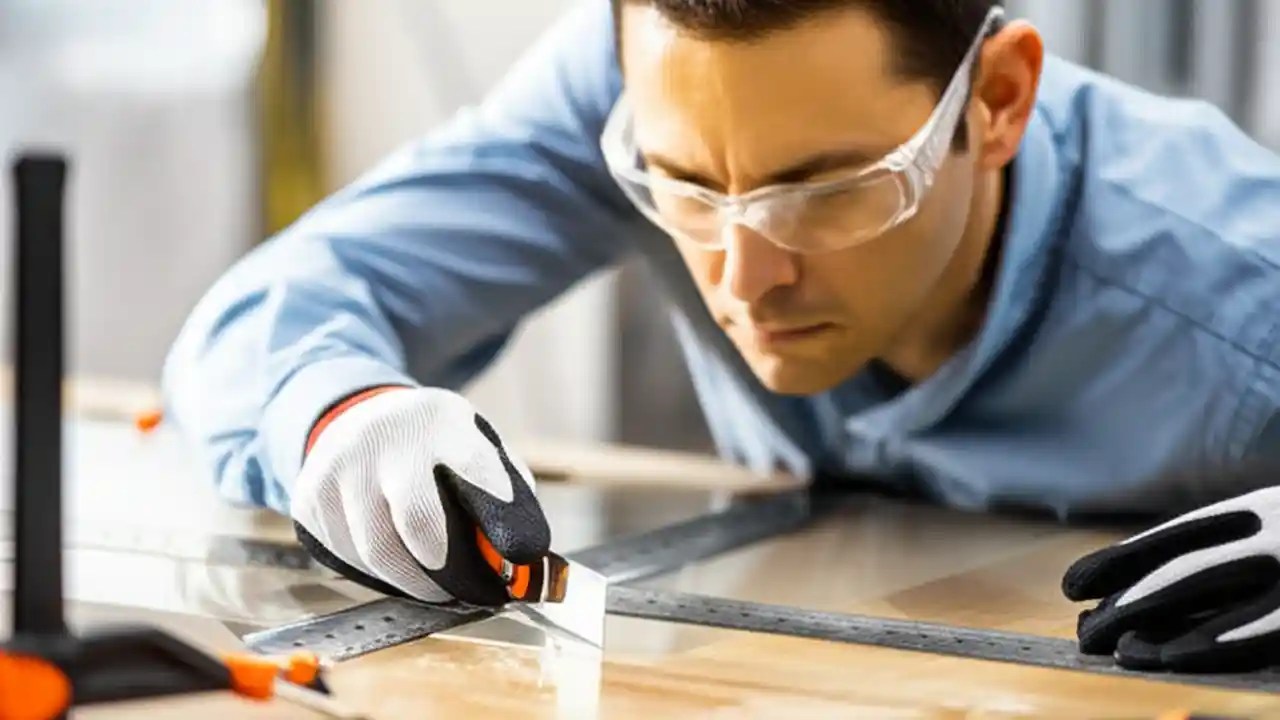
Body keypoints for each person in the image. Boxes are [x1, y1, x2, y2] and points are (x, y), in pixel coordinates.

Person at [163, 0, 1280, 672]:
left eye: (824, 189)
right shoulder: (642, 82)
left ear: (994, 100)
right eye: (685, 188)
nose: (745, 279)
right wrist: (340, 416)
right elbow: (275, 307)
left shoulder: (1235, 277)